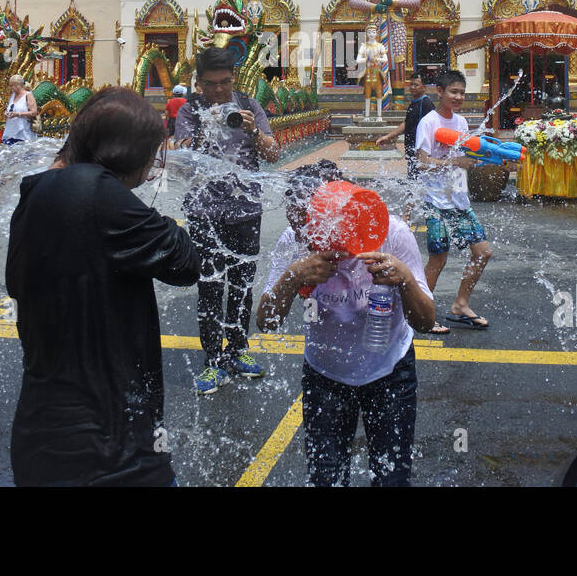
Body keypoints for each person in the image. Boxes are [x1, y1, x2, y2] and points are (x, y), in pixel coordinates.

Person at [7, 87, 199, 486]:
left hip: (41, 434)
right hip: (109, 449)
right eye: (150, 154)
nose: (151, 167)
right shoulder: (96, 191)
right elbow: (184, 262)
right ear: (124, 153)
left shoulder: (37, 192)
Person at [258, 161, 435, 486]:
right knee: (325, 479)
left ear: (337, 216)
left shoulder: (391, 234)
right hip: (324, 378)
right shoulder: (293, 240)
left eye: (307, 226)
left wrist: (405, 279)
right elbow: (266, 322)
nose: (300, 235)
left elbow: (425, 321)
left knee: (392, 479)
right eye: (293, 222)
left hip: (390, 374)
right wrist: (292, 276)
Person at [173, 46, 281, 394]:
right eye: (210, 84)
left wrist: (252, 132)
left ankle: (237, 349)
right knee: (209, 284)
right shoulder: (190, 111)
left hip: (246, 210)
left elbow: (273, 153)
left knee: (242, 283)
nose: (219, 91)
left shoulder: (249, 106)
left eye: (225, 83)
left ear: (234, 79)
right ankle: (212, 359)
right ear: (199, 83)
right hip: (204, 212)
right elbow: (183, 161)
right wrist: (207, 126)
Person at [415, 70, 494, 332]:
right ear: (440, 92)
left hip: (459, 201)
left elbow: (465, 157)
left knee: (482, 253)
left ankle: (460, 304)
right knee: (438, 259)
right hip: (435, 201)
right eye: (453, 92)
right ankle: (422, 313)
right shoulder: (429, 122)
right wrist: (455, 161)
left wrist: (494, 161)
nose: (459, 97)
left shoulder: (460, 122)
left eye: (462, 92)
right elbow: (423, 162)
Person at [374, 70, 435, 179]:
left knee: (420, 180)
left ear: (424, 87)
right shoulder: (414, 102)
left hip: (420, 151)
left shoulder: (426, 103)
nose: (412, 87)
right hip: (411, 149)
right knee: (412, 179)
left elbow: (433, 127)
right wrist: (388, 136)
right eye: (411, 84)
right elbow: (407, 123)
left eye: (416, 85)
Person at [2, 75, 38, 145]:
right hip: (10, 131)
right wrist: (6, 113)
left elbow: (34, 112)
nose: (11, 88)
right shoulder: (12, 96)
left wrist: (18, 114)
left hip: (23, 132)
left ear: (19, 85)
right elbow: (8, 109)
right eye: (11, 86)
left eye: (13, 86)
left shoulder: (28, 95)